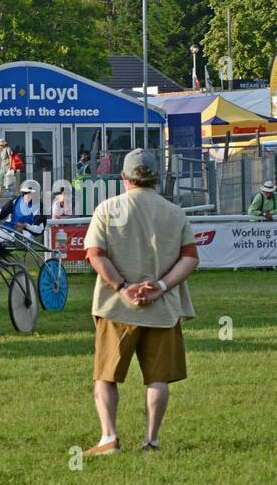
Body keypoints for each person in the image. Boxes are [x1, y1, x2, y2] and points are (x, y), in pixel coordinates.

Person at [83, 148, 198, 455]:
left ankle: (108, 439)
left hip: (116, 308)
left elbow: (96, 255)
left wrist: (122, 288)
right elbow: (190, 258)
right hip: (162, 310)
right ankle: (151, 440)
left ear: (123, 177)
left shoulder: (107, 209)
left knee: (105, 377)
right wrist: (160, 287)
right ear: (157, 178)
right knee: (158, 379)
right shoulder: (175, 213)